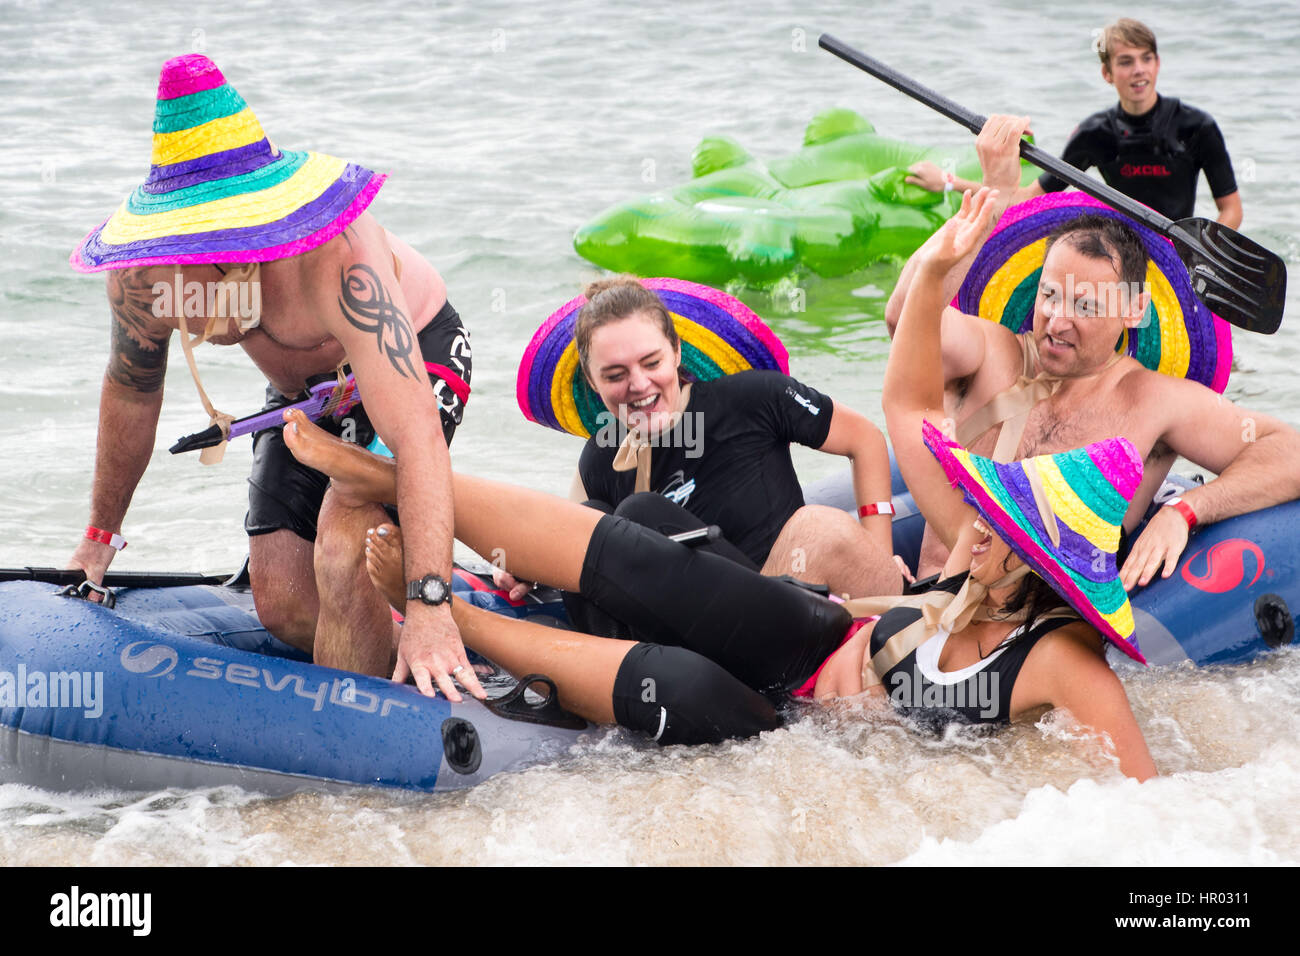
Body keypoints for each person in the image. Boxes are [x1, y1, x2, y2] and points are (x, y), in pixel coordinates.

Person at [278, 190, 1155, 780]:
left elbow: (1142, 809)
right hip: (808, 641)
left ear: (1045, 566)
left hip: (791, 726)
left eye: (1007, 527)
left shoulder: (1061, 662)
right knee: (646, 539)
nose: (982, 529)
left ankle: (466, 624)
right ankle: (387, 470)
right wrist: (930, 270)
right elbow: (907, 401)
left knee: (687, 687)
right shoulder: (968, 575)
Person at [64, 53, 483, 701]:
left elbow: (416, 435)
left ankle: (425, 624)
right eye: (172, 240)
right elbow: (132, 389)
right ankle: (391, 654)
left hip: (415, 355)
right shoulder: (146, 277)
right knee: (283, 601)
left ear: (241, 238)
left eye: (198, 244)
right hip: (304, 395)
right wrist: (97, 541)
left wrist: (430, 604)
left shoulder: (339, 261)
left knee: (343, 546)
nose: (175, 272)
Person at [886, 120, 1300, 582]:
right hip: (927, 606)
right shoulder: (990, 352)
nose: (1059, 320)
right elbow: (906, 321)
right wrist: (994, 198)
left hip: (1036, 635)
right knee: (823, 534)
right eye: (1050, 296)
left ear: (1134, 309)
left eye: (1084, 304)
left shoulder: (1155, 401)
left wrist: (1186, 510)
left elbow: (1289, 452)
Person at [508, 275, 903, 603]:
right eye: (615, 375)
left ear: (676, 352)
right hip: (693, 641)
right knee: (600, 517)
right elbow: (573, 545)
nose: (639, 385)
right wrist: (531, 570)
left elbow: (865, 439)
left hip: (793, 602)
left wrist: (877, 558)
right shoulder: (600, 459)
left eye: (652, 362)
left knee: (644, 513)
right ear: (592, 381)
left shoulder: (753, 399)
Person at [906, 18, 1242, 228]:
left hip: (1179, 252)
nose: (1139, 69)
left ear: (1157, 65)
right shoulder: (1095, 134)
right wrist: (948, 181)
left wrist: (1202, 254)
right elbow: (1026, 198)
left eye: (1146, 58)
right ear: (1107, 74)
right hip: (1123, 250)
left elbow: (1230, 209)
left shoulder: (1197, 127)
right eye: (1126, 62)